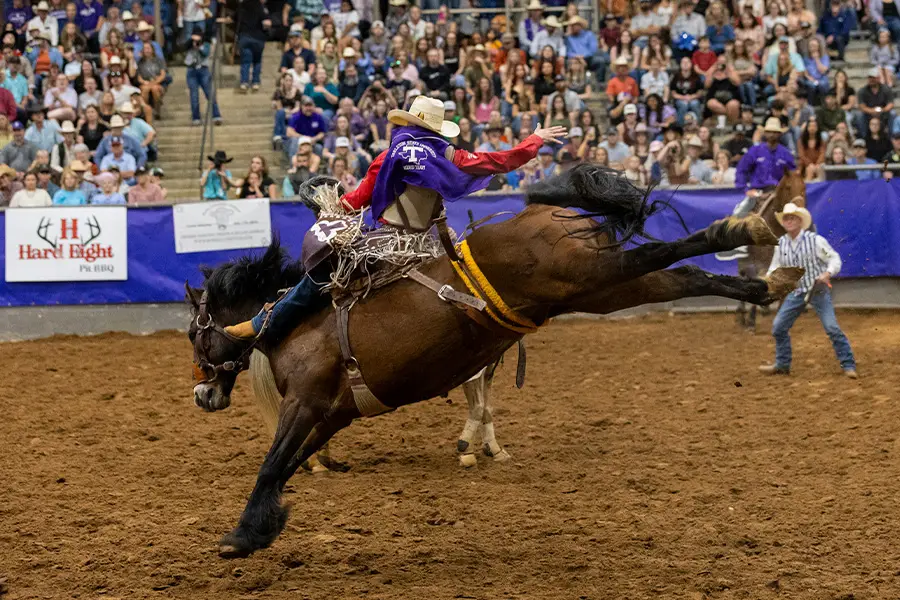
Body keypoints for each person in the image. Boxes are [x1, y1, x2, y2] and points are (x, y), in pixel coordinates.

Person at [223, 96, 567, 339]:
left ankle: (262, 324)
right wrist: (533, 141)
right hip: (427, 246)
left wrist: (330, 206)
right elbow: (494, 161)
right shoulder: (450, 156)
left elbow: (355, 202)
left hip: (388, 243)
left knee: (318, 278)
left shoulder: (387, 158)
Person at [759, 202, 857, 379]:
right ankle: (782, 364)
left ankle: (848, 364)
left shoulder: (815, 241)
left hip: (817, 290)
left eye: (792, 218)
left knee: (832, 327)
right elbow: (775, 268)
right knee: (778, 327)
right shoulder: (780, 244)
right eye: (786, 218)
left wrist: (827, 273)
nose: (788, 221)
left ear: (799, 221)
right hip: (796, 292)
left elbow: (834, 259)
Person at [718, 117, 797, 259]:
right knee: (740, 210)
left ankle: (807, 242)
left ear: (780, 134)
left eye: (775, 132)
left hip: (779, 192)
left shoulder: (785, 154)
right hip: (759, 192)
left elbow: (793, 175)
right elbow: (741, 170)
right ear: (765, 134)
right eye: (769, 132)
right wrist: (746, 189)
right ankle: (739, 246)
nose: (772, 134)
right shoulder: (755, 151)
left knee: (799, 212)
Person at [184, 27, 222, 126]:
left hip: (203, 70)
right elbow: (182, 47)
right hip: (191, 70)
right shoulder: (189, 43)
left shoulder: (206, 44)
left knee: (209, 93)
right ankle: (196, 117)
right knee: (194, 95)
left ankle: (216, 115)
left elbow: (205, 53)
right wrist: (191, 43)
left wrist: (199, 46)